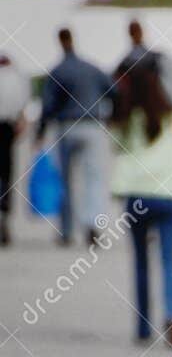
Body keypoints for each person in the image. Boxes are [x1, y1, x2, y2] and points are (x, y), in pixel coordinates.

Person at [110, 60, 172, 346]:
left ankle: (142, 324)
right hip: (169, 195)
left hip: (137, 195)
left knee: (140, 261)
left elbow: (117, 149)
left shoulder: (127, 119)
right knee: (169, 258)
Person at [36, 28, 111, 247]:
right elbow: (113, 89)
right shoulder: (91, 68)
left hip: (67, 126)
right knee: (93, 179)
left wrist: (40, 132)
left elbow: (47, 105)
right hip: (91, 126)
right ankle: (92, 222)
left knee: (66, 181)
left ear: (60, 42)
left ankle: (66, 230)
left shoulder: (58, 71)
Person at [0, 52, 30, 246]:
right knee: (6, 173)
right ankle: (4, 212)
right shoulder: (16, 78)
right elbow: (22, 107)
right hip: (7, 129)